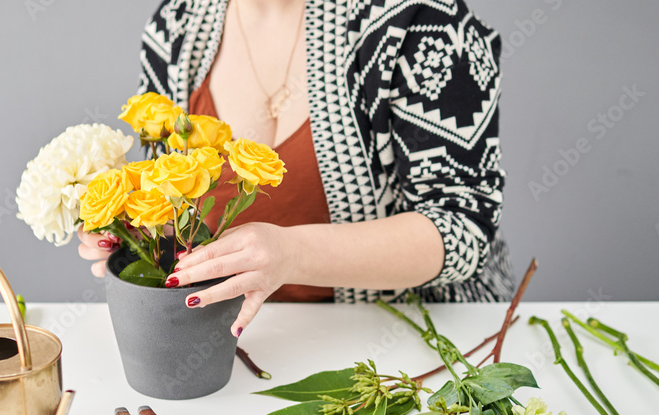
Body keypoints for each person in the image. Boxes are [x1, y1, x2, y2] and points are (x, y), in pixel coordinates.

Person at [79, 0, 514, 338]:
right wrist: (134, 228)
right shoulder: (177, 27)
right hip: (231, 346)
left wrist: (292, 253)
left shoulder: (421, 21)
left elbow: (464, 229)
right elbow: (175, 209)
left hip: (409, 342)